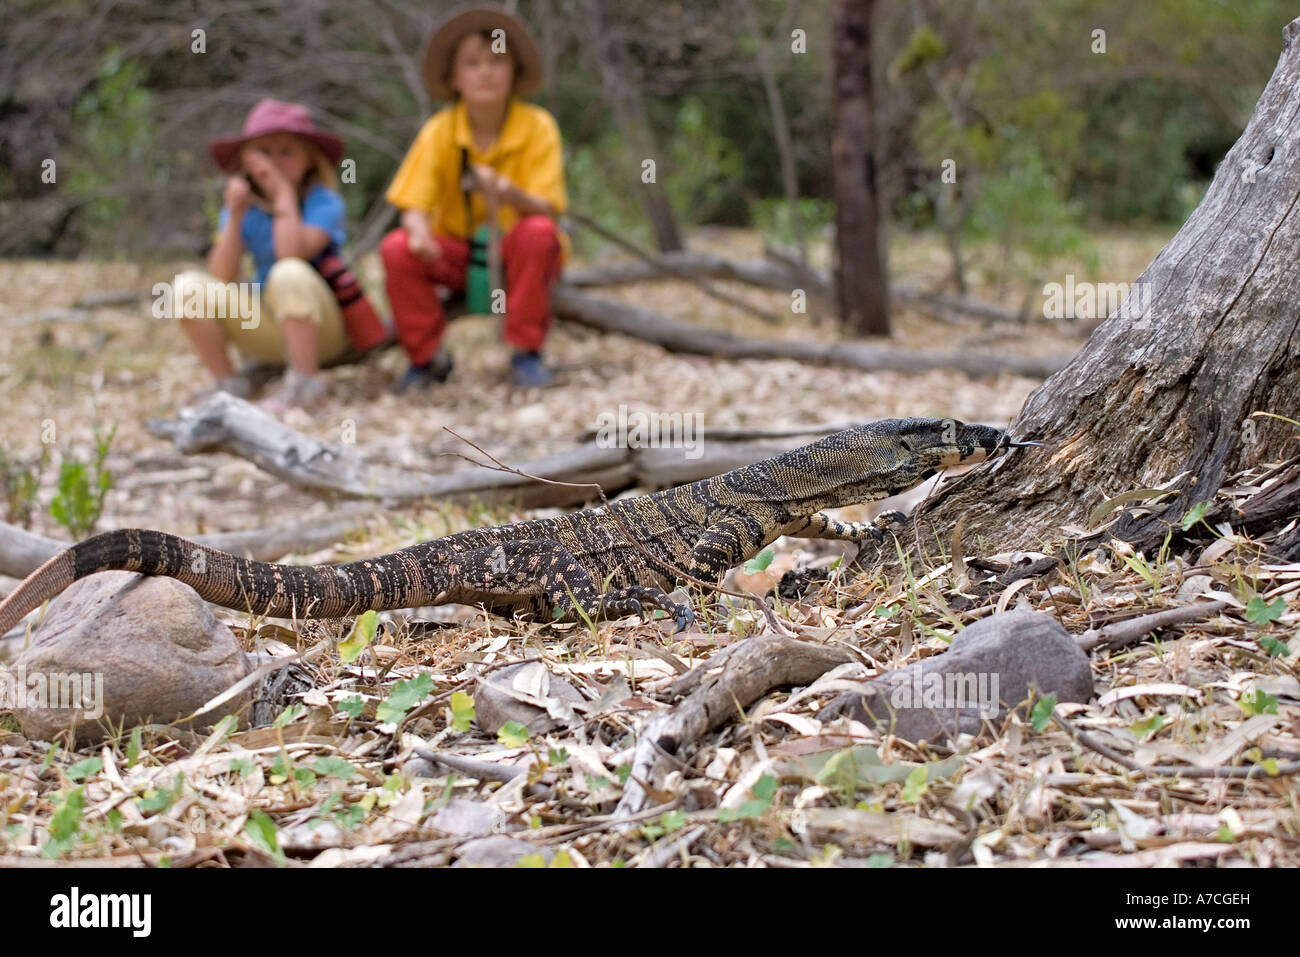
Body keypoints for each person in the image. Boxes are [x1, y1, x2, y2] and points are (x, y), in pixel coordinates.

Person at [380, 4, 567, 390]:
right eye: (473, 62)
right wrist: (418, 233)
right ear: (454, 77)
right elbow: (412, 204)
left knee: (538, 233)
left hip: (516, 254)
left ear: (514, 71)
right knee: (398, 248)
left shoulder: (538, 126)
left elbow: (549, 207)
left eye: (497, 61)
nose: (485, 71)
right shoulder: (440, 130)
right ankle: (426, 358)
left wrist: (505, 190)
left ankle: (526, 352)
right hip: (458, 256)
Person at [175, 98, 388, 411]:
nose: (274, 162)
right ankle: (227, 384)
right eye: (265, 153)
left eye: (286, 151)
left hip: (322, 330)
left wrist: (282, 194)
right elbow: (221, 275)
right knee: (187, 287)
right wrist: (234, 216)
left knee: (288, 273)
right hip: (270, 328)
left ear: (309, 160)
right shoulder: (244, 207)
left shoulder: (324, 202)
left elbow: (291, 254)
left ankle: (304, 382)